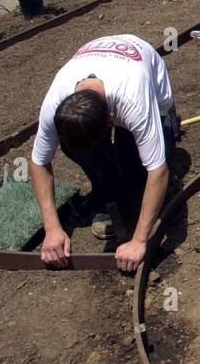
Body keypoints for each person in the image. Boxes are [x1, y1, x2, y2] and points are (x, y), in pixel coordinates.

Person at [31, 34, 177, 272]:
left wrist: (140, 241)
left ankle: (169, 124)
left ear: (110, 120)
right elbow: (39, 163)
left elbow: (158, 171)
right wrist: (53, 228)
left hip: (144, 67)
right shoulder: (55, 106)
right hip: (97, 58)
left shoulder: (133, 100)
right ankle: (111, 193)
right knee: (81, 150)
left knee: (138, 168)